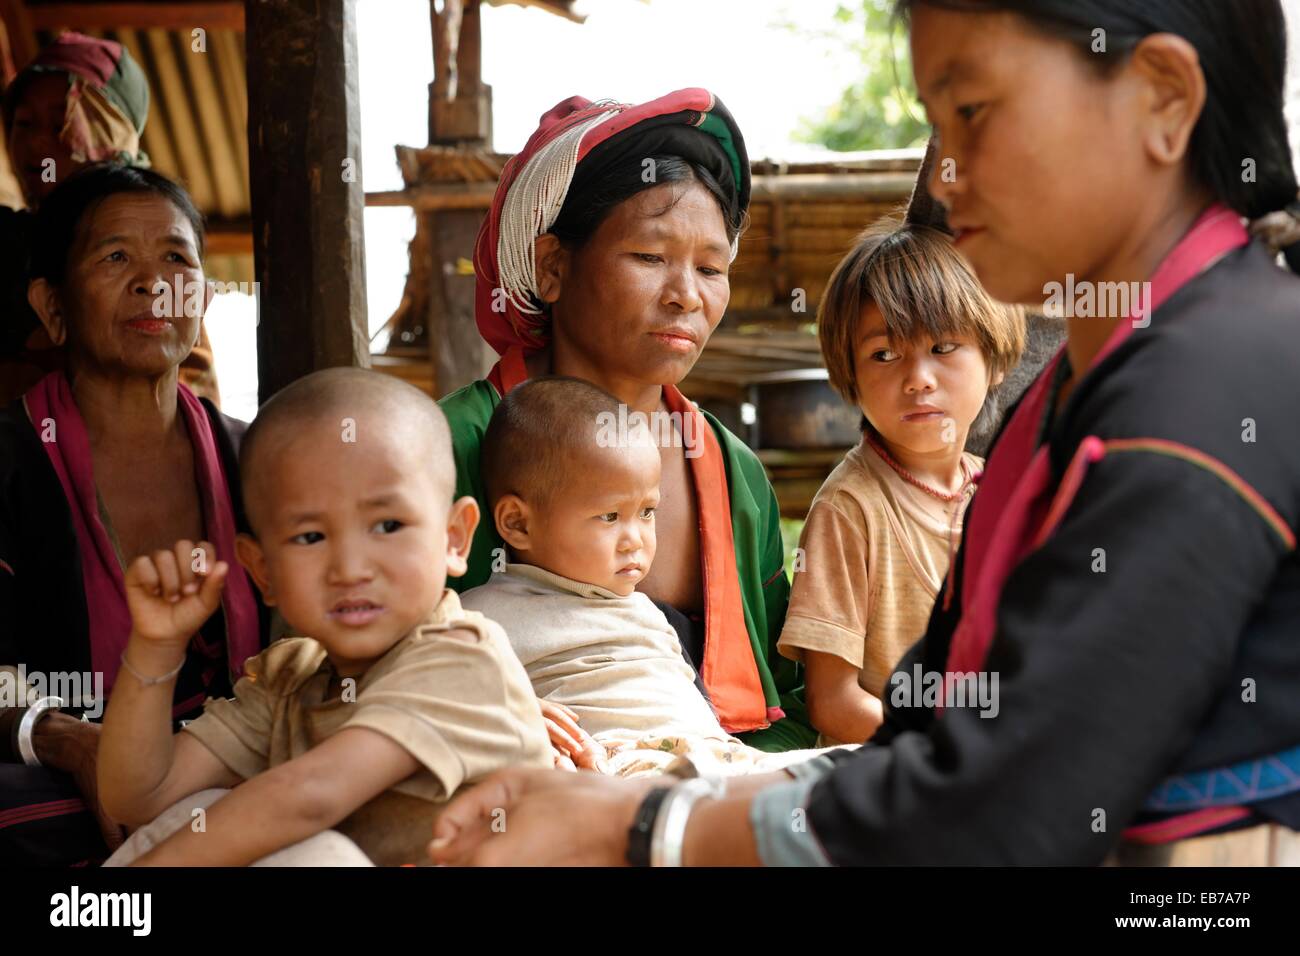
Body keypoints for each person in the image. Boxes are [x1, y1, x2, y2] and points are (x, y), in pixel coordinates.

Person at [428, 0, 1300, 866]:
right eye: (936, 122)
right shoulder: (1090, 388)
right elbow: (935, 729)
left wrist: (645, 824)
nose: (945, 175)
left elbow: (1009, 799)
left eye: (974, 111)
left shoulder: (1207, 400)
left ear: (1163, 98)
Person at [439, 88, 815, 752]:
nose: (686, 295)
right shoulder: (447, 447)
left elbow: (786, 695)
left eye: (711, 267)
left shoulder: (735, 475)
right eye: (650, 258)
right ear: (553, 267)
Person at [98, 368, 552, 866]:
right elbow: (138, 797)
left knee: (319, 855)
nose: (350, 569)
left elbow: (309, 796)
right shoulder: (291, 677)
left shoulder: (463, 659)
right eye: (310, 537)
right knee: (193, 814)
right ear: (263, 571)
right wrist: (156, 645)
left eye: (387, 525)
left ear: (454, 538)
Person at [0, 164, 266, 866]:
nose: (154, 283)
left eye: (176, 257)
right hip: (55, 768)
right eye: (115, 257)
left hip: (232, 756)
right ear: (52, 305)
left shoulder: (259, 458)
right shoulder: (9, 458)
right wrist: (58, 735)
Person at [461, 377, 825, 777]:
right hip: (614, 765)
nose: (635, 540)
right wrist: (508, 714)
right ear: (518, 523)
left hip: (715, 757)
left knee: (858, 770)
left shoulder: (646, 611)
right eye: (609, 516)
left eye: (647, 512)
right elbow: (423, 699)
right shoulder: (478, 618)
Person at [778, 216, 1023, 745]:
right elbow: (834, 703)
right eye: (884, 355)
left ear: (994, 357)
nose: (918, 379)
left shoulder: (1004, 495)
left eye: (942, 348)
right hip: (891, 770)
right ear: (850, 376)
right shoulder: (850, 508)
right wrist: (952, 752)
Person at [0, 32, 219, 405]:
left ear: (113, 132)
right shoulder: (7, 243)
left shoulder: (164, 286)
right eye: (24, 124)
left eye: (61, 125)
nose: (38, 145)